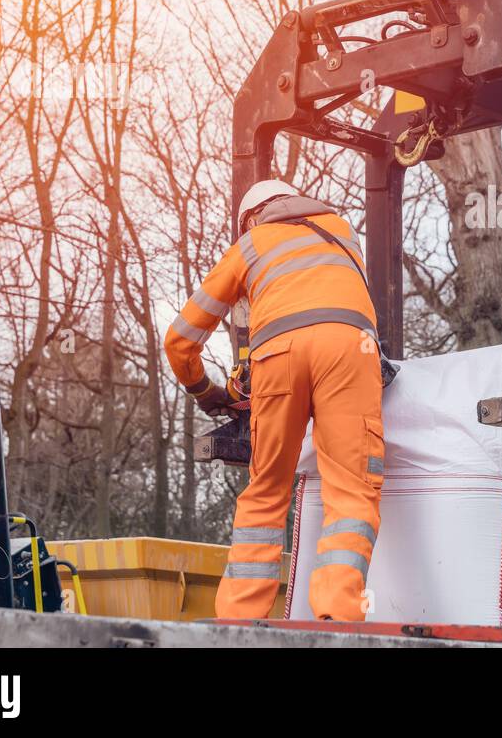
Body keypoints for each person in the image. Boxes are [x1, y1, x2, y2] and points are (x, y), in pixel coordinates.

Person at [163, 180, 384, 621]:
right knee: (352, 489)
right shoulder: (343, 231)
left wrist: (207, 392)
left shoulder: (251, 244)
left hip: (277, 356)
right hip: (351, 349)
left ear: (250, 217)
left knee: (265, 491)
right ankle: (338, 617)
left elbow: (179, 339)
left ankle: (240, 619)